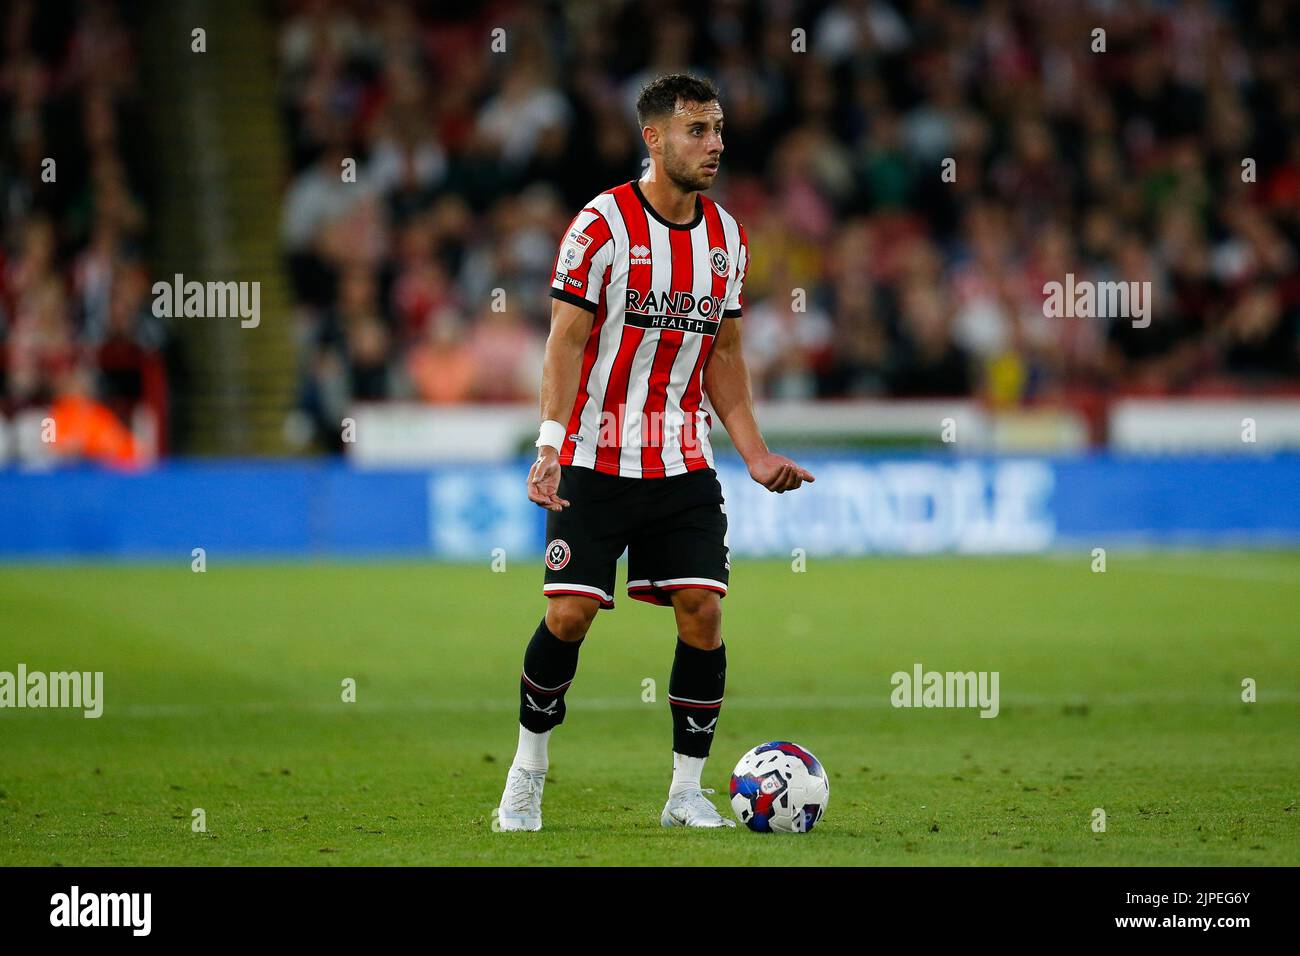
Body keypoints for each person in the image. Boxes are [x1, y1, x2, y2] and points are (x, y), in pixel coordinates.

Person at [493, 73, 815, 832]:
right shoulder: (600, 226)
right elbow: (565, 340)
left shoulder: (727, 239)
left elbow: (725, 356)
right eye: (699, 130)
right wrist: (548, 445)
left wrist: (756, 453)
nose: (715, 144)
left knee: (702, 613)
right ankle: (526, 775)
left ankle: (685, 793)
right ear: (655, 138)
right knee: (569, 615)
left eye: (719, 129)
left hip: (681, 461)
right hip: (595, 459)